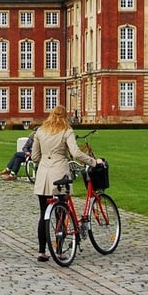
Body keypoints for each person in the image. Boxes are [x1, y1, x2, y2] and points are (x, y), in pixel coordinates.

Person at [31, 105, 103, 262]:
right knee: (61, 213)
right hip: (59, 173)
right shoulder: (67, 131)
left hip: (43, 175)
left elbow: (35, 157)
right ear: (65, 116)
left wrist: (44, 160)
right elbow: (76, 153)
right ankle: (60, 251)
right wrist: (93, 161)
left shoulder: (40, 131)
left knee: (44, 214)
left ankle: (42, 252)